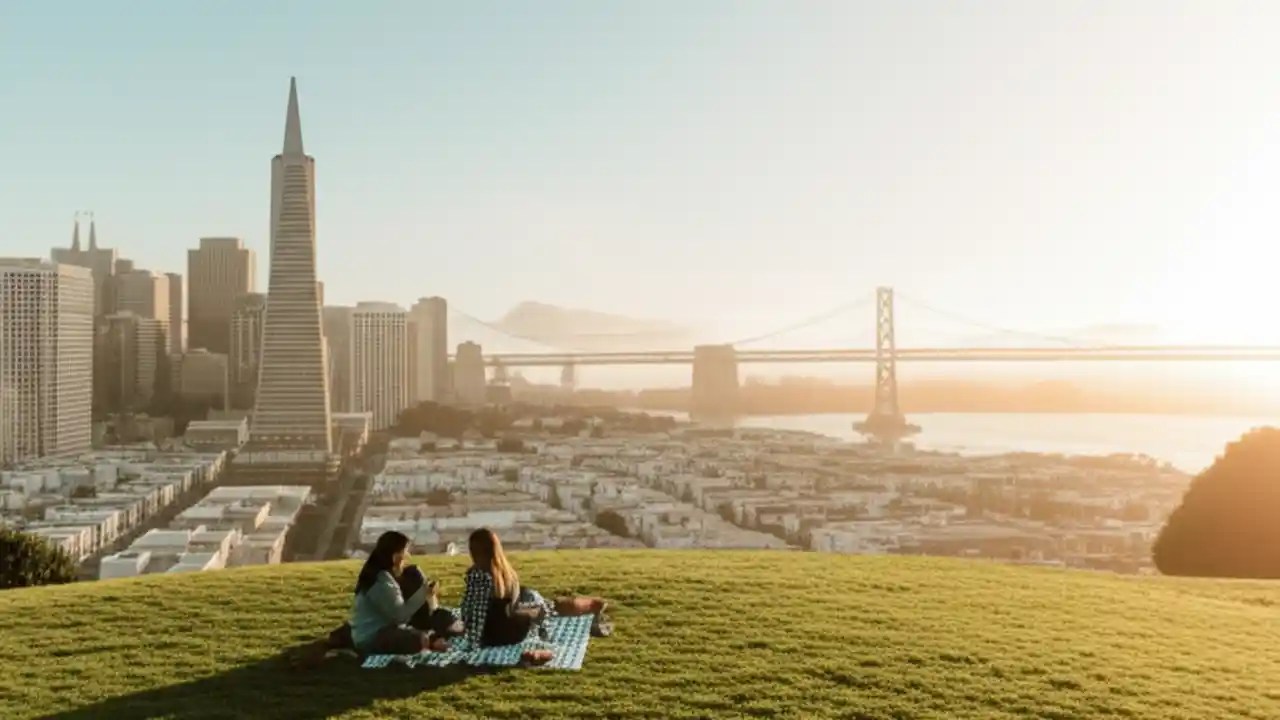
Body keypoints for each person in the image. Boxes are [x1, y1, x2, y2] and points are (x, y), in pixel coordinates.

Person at [459, 528, 606, 664]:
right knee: (546, 605)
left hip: (492, 637)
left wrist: (472, 644)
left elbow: (475, 613)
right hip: (516, 634)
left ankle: (542, 638)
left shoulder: (476, 575)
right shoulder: (508, 574)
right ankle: (586, 606)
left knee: (541, 604)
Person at [349, 530, 448, 655]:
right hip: (372, 638)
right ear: (395, 556)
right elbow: (400, 616)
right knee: (419, 639)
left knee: (421, 636)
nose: (407, 556)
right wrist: (424, 593)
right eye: (405, 551)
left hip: (375, 633)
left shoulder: (378, 575)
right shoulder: (380, 581)